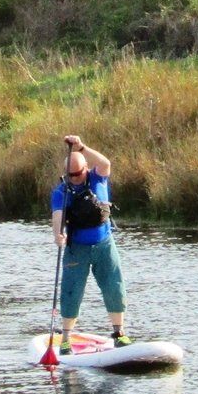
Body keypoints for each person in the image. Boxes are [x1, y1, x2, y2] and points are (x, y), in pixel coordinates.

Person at [50, 134, 129, 352]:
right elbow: (58, 215)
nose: (75, 178)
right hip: (77, 249)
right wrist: (58, 235)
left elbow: (106, 163)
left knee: (114, 286)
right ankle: (65, 339)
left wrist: (81, 147)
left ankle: (119, 333)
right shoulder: (61, 192)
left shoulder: (98, 177)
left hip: (104, 244)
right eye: (71, 175)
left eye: (78, 173)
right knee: (71, 291)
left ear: (86, 168)